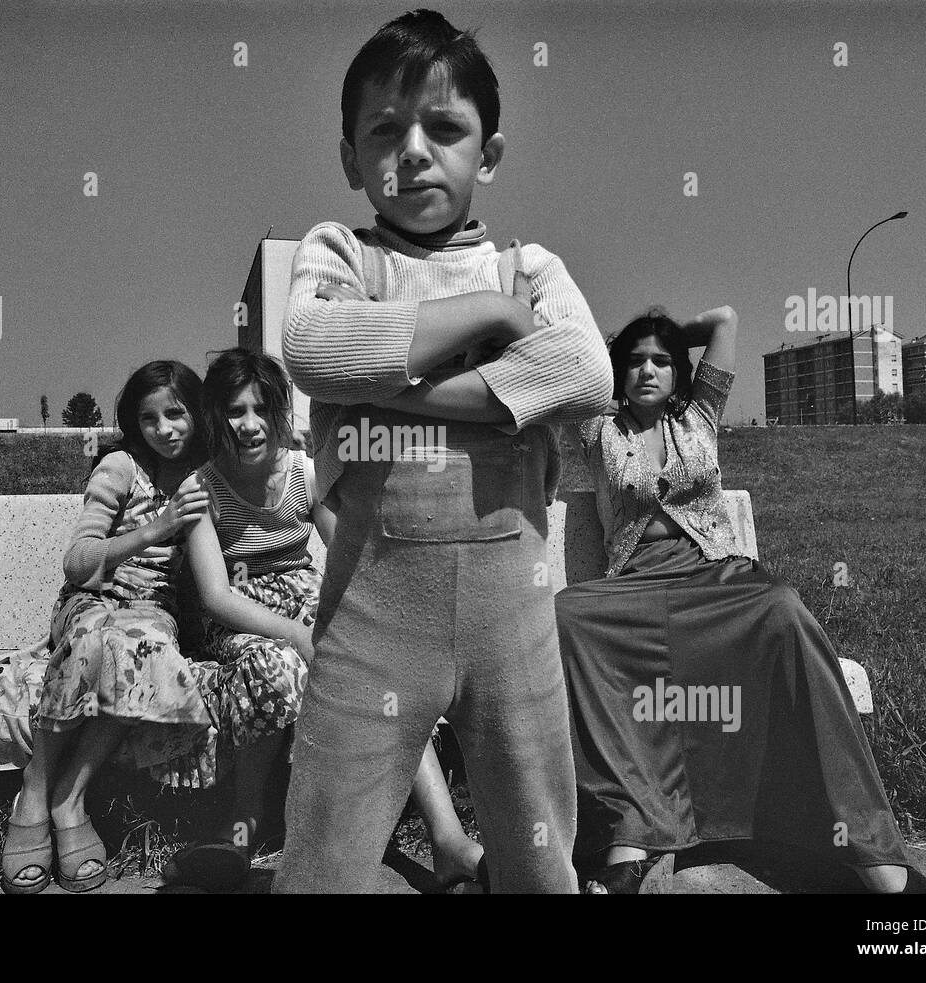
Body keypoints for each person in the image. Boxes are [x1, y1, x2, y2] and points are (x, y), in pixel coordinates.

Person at [276, 9, 614, 892]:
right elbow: (311, 345)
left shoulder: (528, 269)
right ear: (350, 157)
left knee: (538, 854)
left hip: (516, 627)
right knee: (324, 854)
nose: (414, 152)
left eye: (444, 128)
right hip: (368, 621)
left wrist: (388, 382)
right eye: (385, 130)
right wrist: (493, 323)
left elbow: (585, 372)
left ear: (488, 154)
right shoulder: (340, 255)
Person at [555, 306, 926, 894]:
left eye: (661, 361)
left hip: (714, 577)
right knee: (568, 615)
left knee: (783, 607)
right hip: (636, 586)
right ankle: (628, 834)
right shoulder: (597, 428)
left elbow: (727, 320)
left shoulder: (700, 415)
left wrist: (665, 333)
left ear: (680, 372)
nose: (648, 371)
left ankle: (872, 854)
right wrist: (618, 344)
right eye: (634, 362)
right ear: (617, 371)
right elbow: (567, 354)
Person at [161, 348, 485, 891]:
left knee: (376, 665)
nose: (250, 425)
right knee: (275, 665)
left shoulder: (302, 473)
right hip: (243, 615)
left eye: (262, 409)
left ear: (279, 412)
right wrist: (295, 634)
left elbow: (345, 555)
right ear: (216, 416)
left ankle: (447, 838)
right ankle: (244, 828)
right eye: (235, 411)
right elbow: (215, 597)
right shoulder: (201, 489)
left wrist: (376, 616)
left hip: (307, 596)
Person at [1, 359, 322, 894]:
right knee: (96, 641)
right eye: (150, 419)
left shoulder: (207, 472)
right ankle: (35, 791)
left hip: (153, 612)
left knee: (143, 649)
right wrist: (156, 529)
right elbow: (78, 562)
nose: (165, 430)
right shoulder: (123, 467)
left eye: (176, 415)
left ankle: (69, 799)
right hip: (95, 599)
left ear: (199, 415)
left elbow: (260, 475)